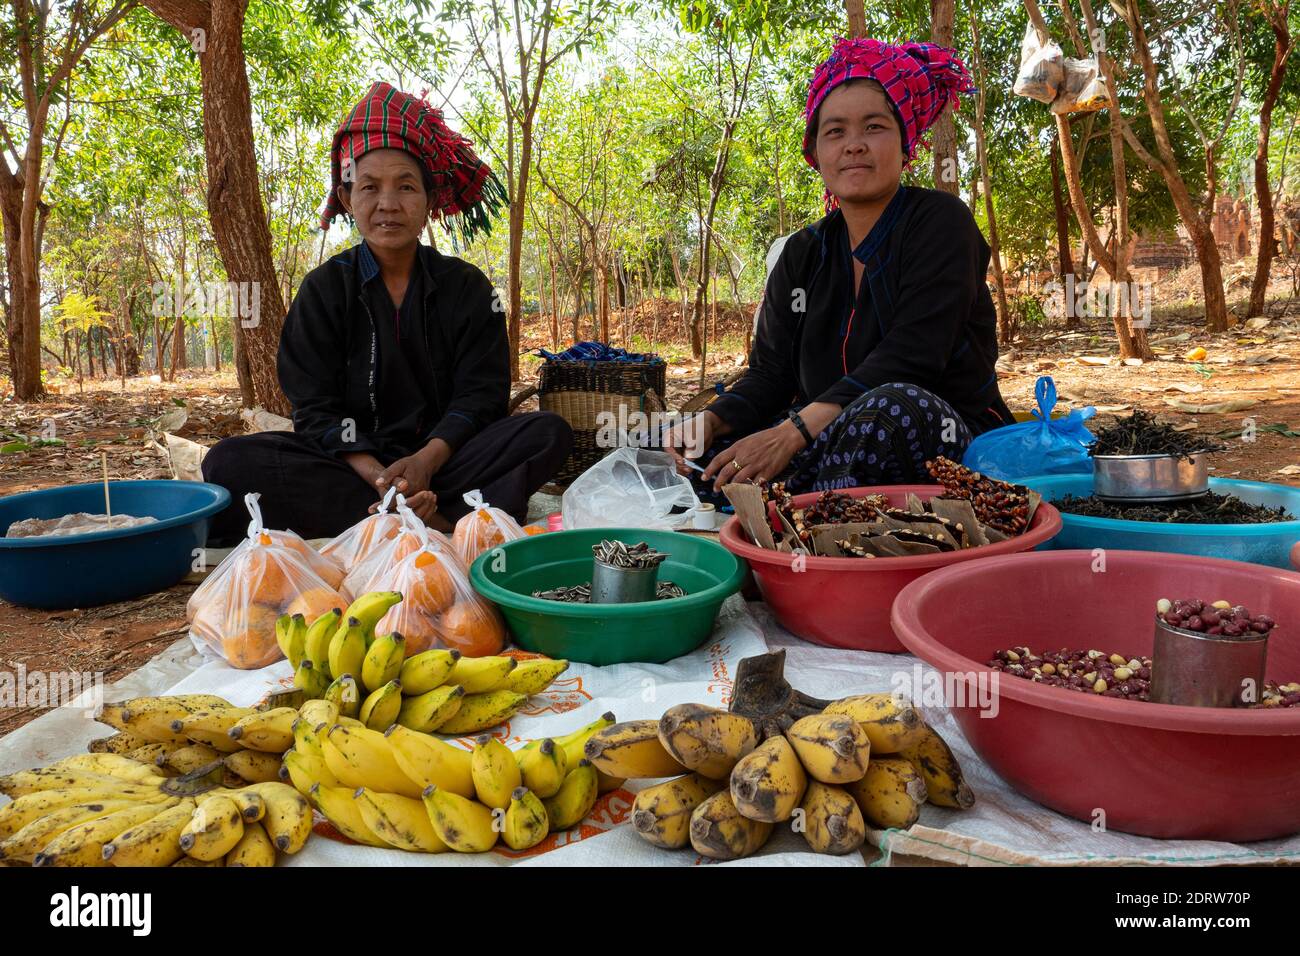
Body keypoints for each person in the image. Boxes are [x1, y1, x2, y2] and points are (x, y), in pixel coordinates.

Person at [202, 82, 572, 545]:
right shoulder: (323, 289)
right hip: (354, 468)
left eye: (405, 187)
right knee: (228, 461)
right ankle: (427, 516)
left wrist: (425, 462)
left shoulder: (468, 287)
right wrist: (380, 476)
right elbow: (313, 408)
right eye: (370, 187)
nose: (388, 204)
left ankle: (397, 517)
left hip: (446, 461)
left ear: (429, 201)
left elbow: (481, 397)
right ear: (346, 197)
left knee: (547, 432)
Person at [668, 38, 1013, 496]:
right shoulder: (802, 252)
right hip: (822, 431)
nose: (854, 146)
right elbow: (770, 375)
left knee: (884, 413)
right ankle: (795, 494)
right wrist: (709, 422)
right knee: (691, 452)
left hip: (939, 432)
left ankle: (803, 505)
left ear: (905, 141)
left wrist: (792, 433)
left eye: (874, 127)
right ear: (816, 152)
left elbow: (914, 357)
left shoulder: (941, 221)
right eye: (835, 131)